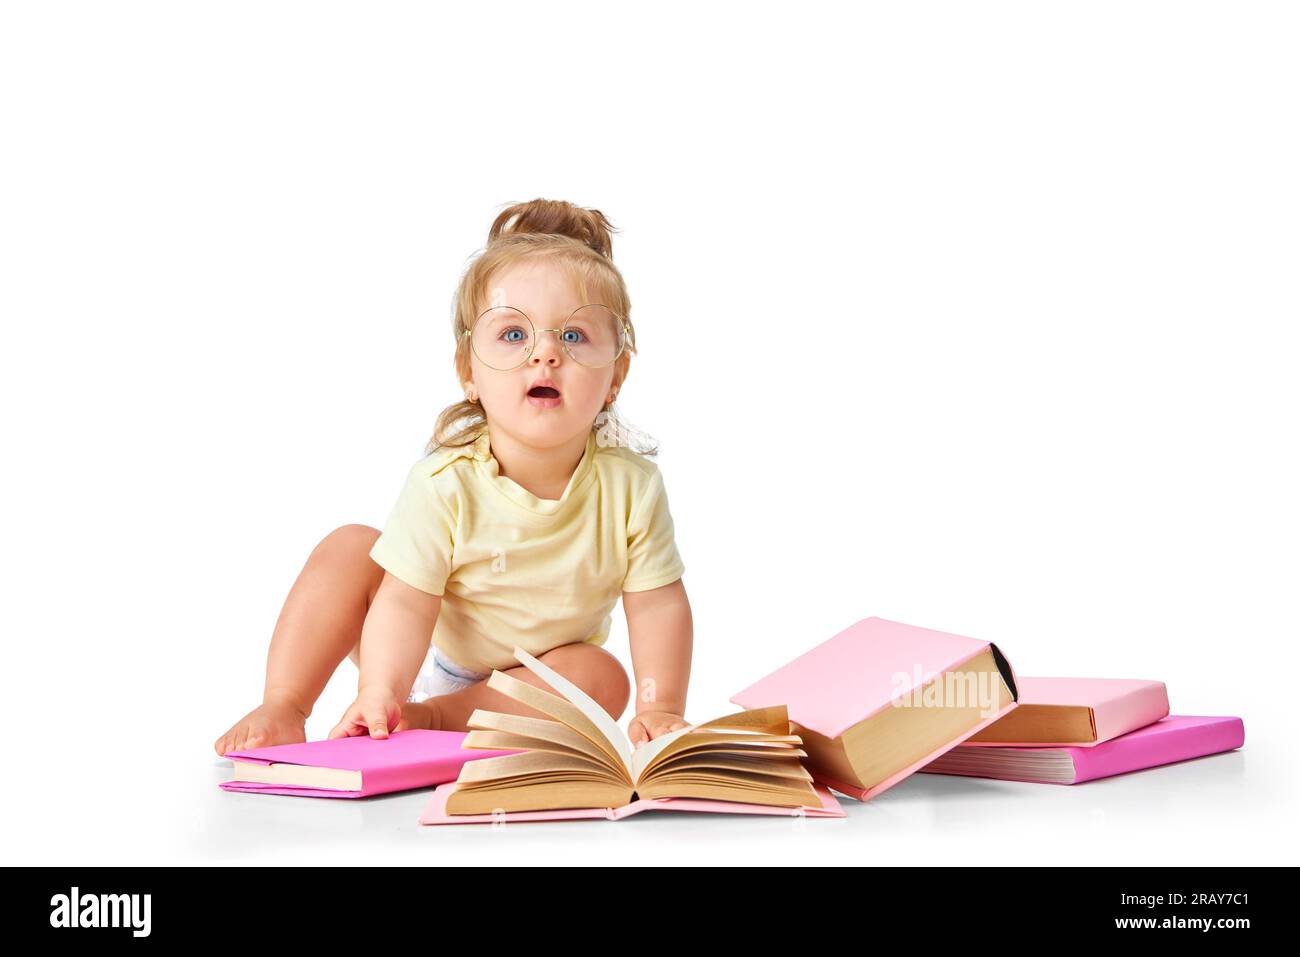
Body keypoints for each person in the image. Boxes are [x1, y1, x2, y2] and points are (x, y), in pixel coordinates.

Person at [213, 198, 693, 758]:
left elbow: (658, 604)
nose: (545, 355)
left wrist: (662, 708)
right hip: (418, 654)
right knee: (351, 547)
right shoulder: (446, 481)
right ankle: (285, 705)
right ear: (469, 371)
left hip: (530, 684)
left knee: (602, 676)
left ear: (617, 375)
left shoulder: (631, 488)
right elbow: (406, 601)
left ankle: (436, 719)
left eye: (573, 337)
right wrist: (380, 688)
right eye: (514, 335)